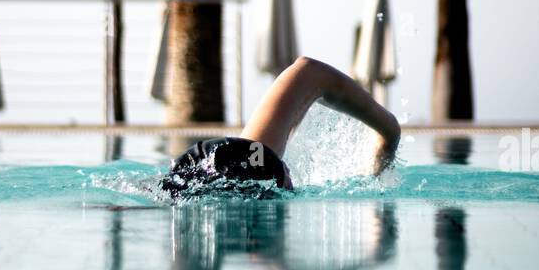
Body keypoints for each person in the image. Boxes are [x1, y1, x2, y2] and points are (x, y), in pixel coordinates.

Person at [163, 55, 401, 193]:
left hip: (211, 168)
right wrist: (389, 133)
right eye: (285, 174)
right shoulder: (258, 181)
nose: (289, 172)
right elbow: (307, 70)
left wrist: (389, 131)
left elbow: (307, 71)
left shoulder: (255, 165)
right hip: (222, 165)